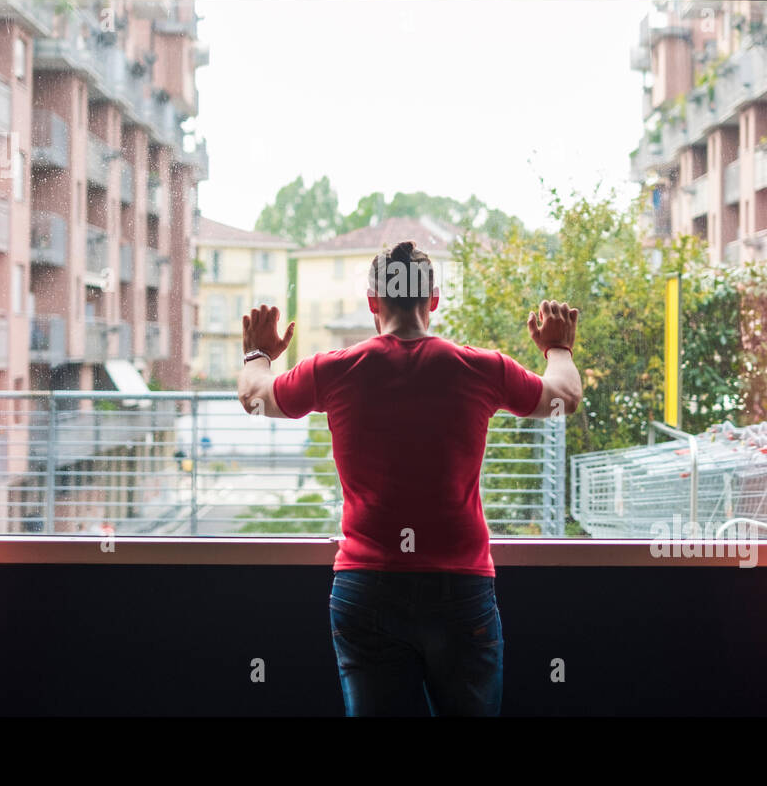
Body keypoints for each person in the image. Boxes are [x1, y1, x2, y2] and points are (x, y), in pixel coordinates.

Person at [237, 239, 581, 716]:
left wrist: (258, 351)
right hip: (460, 591)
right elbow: (564, 396)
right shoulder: (481, 368)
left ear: (373, 302)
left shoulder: (335, 371)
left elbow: (255, 397)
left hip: (365, 588)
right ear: (433, 299)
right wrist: (557, 347)